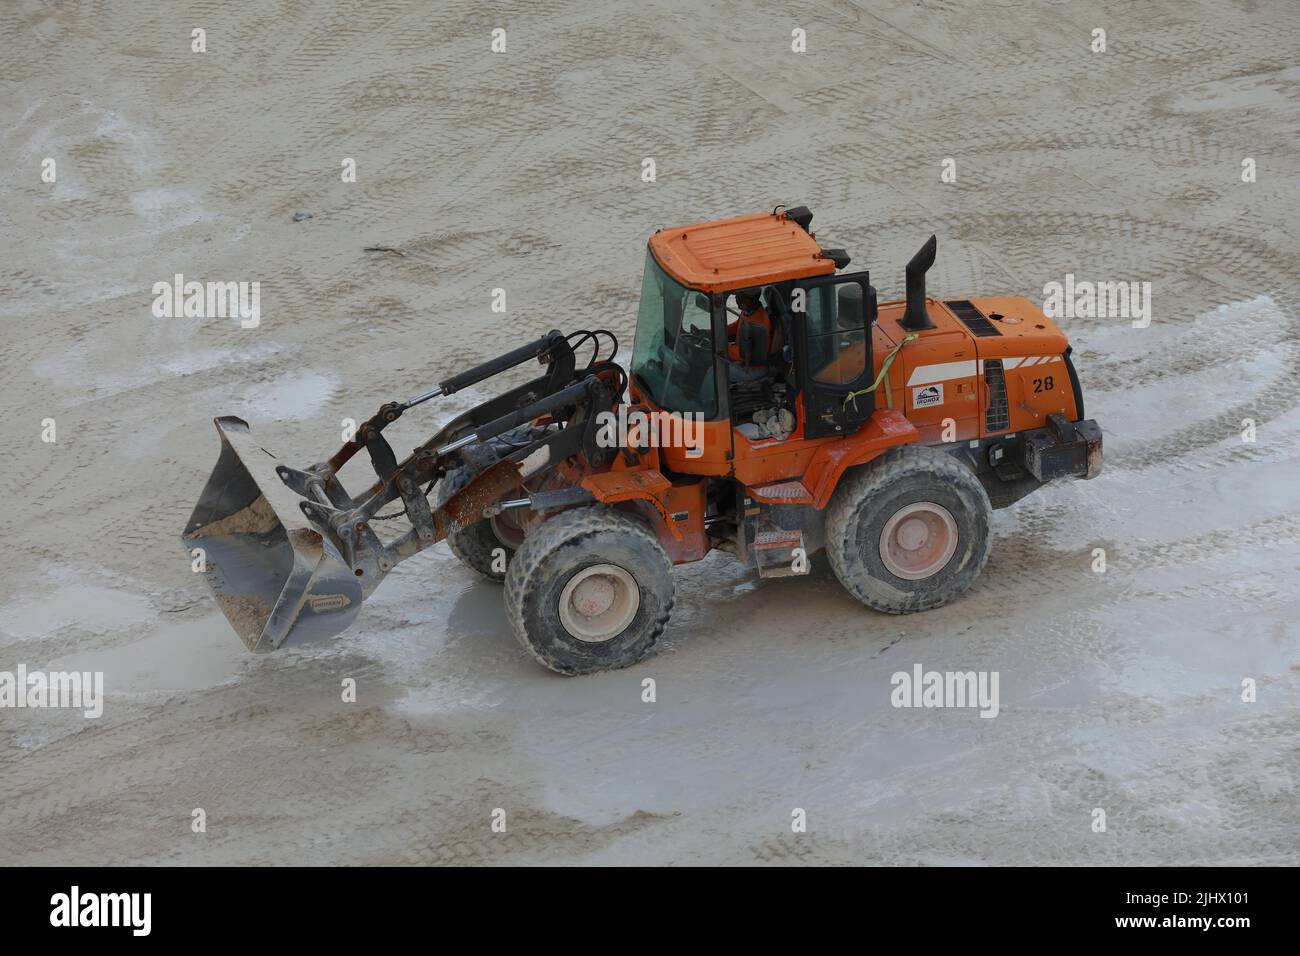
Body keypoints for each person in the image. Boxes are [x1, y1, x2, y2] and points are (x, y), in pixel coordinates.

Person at [726, 292, 772, 368]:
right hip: (740, 358)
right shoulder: (747, 311)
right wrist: (714, 332)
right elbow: (736, 326)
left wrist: (725, 348)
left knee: (713, 371)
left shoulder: (759, 324)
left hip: (751, 367)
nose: (735, 298)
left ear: (747, 301)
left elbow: (749, 354)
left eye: (738, 296)